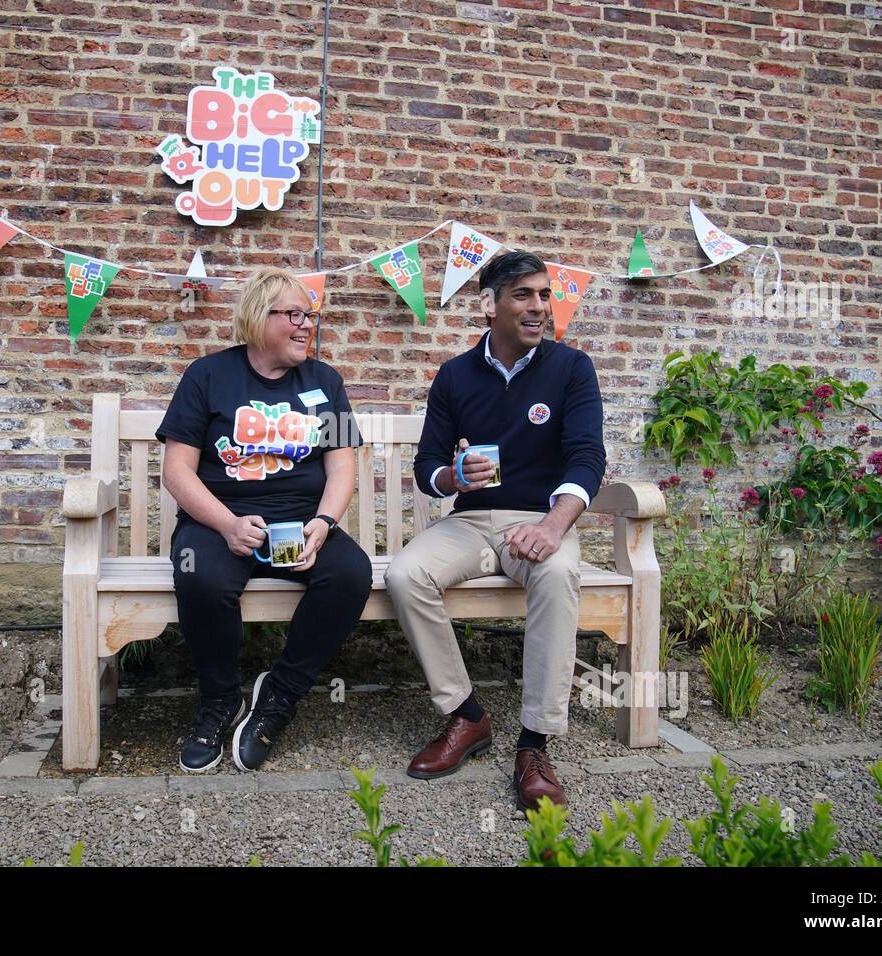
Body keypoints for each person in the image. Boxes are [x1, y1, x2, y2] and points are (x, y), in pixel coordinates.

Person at [385, 251, 606, 810]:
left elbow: (587, 458)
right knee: (406, 573)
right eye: (523, 296)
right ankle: (467, 717)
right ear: (489, 306)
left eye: (543, 295)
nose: (538, 307)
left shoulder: (571, 369)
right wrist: (452, 475)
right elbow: (427, 468)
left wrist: (554, 526)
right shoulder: (456, 375)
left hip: (538, 522)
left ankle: (534, 743)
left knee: (556, 573)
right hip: (470, 521)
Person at [156, 267, 372, 773]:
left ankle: (279, 694)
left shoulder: (325, 381)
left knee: (351, 574)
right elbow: (176, 470)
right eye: (294, 314)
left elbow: (342, 461)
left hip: (300, 525)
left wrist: (324, 521)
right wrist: (228, 525)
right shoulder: (206, 376)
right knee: (201, 577)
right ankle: (219, 700)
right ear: (259, 316)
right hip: (218, 525)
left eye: (310, 316)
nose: (306, 325)